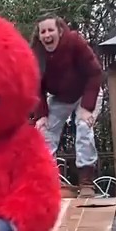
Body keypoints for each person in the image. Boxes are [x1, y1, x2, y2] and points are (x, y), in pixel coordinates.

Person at [31, 14, 103, 197]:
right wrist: (41, 115)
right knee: (44, 132)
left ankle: (86, 182)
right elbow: (36, 86)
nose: (47, 35)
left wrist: (87, 108)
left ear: (60, 31)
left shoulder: (75, 43)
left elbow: (95, 73)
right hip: (60, 97)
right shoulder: (37, 54)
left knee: (83, 126)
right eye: (43, 32)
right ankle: (49, 181)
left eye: (51, 30)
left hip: (87, 92)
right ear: (39, 35)